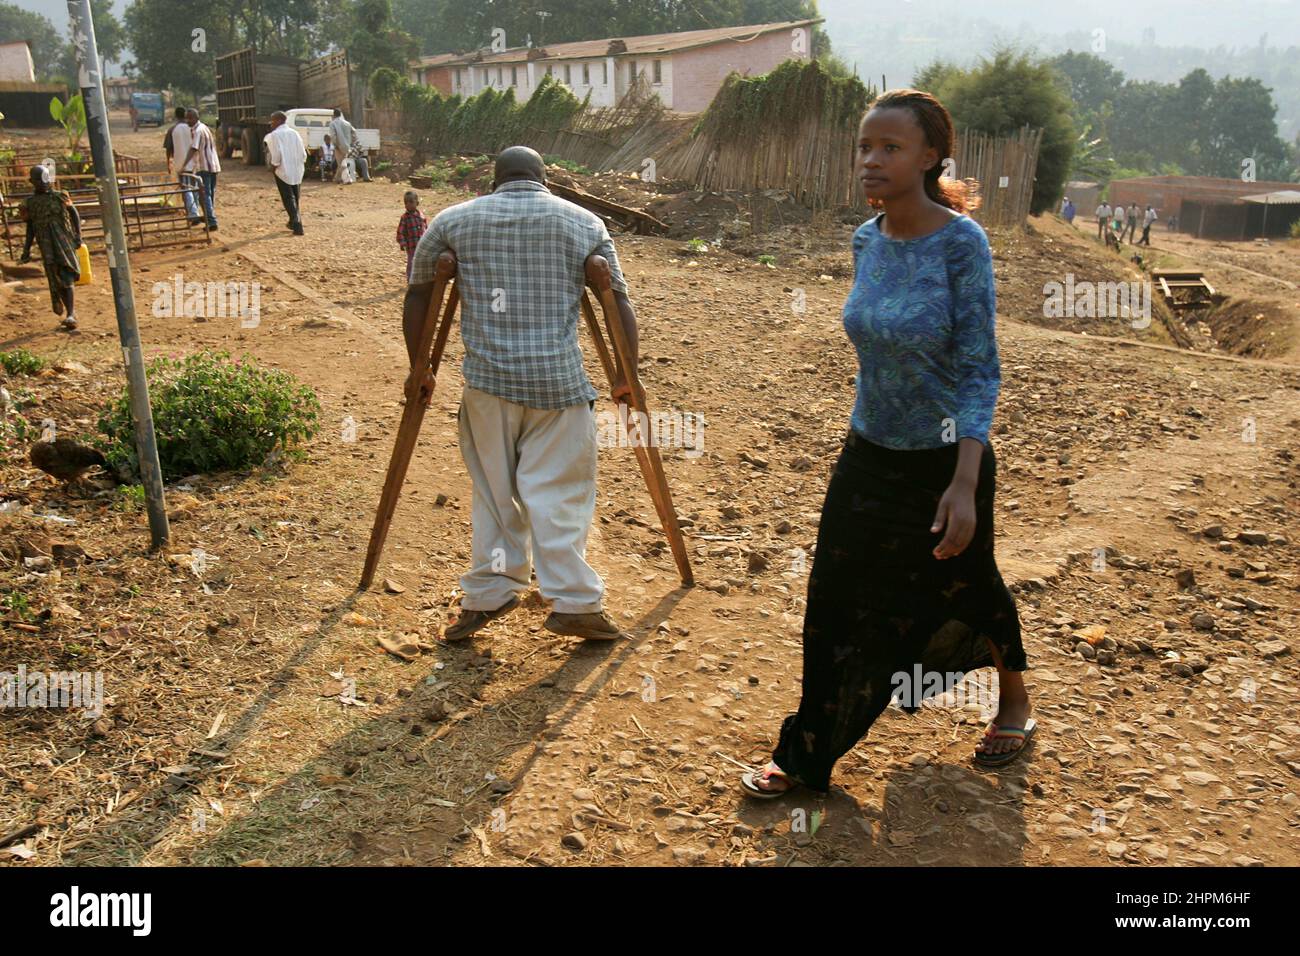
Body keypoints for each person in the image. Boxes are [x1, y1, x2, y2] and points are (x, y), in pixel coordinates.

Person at [740, 89, 1029, 799]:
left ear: (930, 156)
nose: (871, 159)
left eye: (890, 147)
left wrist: (963, 480)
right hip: (869, 449)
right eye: (865, 146)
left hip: (944, 460)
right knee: (832, 598)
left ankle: (1015, 700)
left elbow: (978, 366)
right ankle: (807, 751)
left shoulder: (962, 243)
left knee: (969, 584)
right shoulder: (865, 239)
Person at [405, 145, 637, 643]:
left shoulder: (452, 220)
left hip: (489, 387)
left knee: (494, 491)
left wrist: (418, 367)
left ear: (495, 179)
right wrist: (626, 375)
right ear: (544, 178)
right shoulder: (585, 223)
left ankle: (491, 591)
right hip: (559, 385)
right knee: (558, 494)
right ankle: (574, 601)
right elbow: (615, 297)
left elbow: (420, 291)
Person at [19, 165, 81, 332]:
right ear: (32, 181)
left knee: (67, 273)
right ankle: (69, 313)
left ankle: (71, 312)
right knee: (55, 277)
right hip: (45, 244)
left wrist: (78, 236)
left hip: (63, 241)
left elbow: (74, 213)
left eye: (46, 179)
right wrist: (26, 250)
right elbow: (30, 228)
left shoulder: (60, 196)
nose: (44, 183)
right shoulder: (29, 203)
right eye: (39, 180)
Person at [263, 110, 306, 235]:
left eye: (273, 121)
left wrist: (274, 166)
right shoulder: (295, 133)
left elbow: (276, 154)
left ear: (280, 121)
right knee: (295, 197)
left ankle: (297, 224)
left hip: (283, 170)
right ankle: (294, 222)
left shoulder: (275, 135)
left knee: (288, 198)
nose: (271, 124)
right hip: (297, 170)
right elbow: (303, 154)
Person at [181, 108, 220, 230]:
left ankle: (211, 221)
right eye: (186, 118)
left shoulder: (197, 131)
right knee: (209, 193)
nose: (187, 121)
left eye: (190, 118)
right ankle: (210, 217)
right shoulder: (204, 127)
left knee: (204, 194)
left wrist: (184, 165)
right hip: (213, 165)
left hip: (204, 166)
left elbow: (194, 148)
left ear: (196, 118)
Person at [164, 106, 200, 222]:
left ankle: (193, 213)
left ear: (175, 116)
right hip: (195, 163)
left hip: (180, 164)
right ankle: (196, 211)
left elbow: (169, 149)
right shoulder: (193, 128)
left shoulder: (172, 130)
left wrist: (168, 164)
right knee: (195, 188)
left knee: (186, 189)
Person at [396, 190, 427, 280]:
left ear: (417, 203)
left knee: (425, 261)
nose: (408, 205)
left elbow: (426, 229)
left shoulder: (422, 216)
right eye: (406, 203)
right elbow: (400, 232)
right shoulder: (405, 218)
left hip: (422, 245)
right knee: (412, 263)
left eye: (411, 202)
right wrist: (402, 243)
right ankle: (411, 278)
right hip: (412, 246)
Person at [328, 109, 356, 184]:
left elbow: (333, 136)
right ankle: (337, 178)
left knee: (341, 163)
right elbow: (354, 132)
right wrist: (352, 142)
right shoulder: (347, 123)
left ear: (334, 115)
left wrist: (335, 144)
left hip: (339, 146)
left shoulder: (333, 123)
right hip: (347, 146)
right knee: (342, 162)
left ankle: (347, 179)